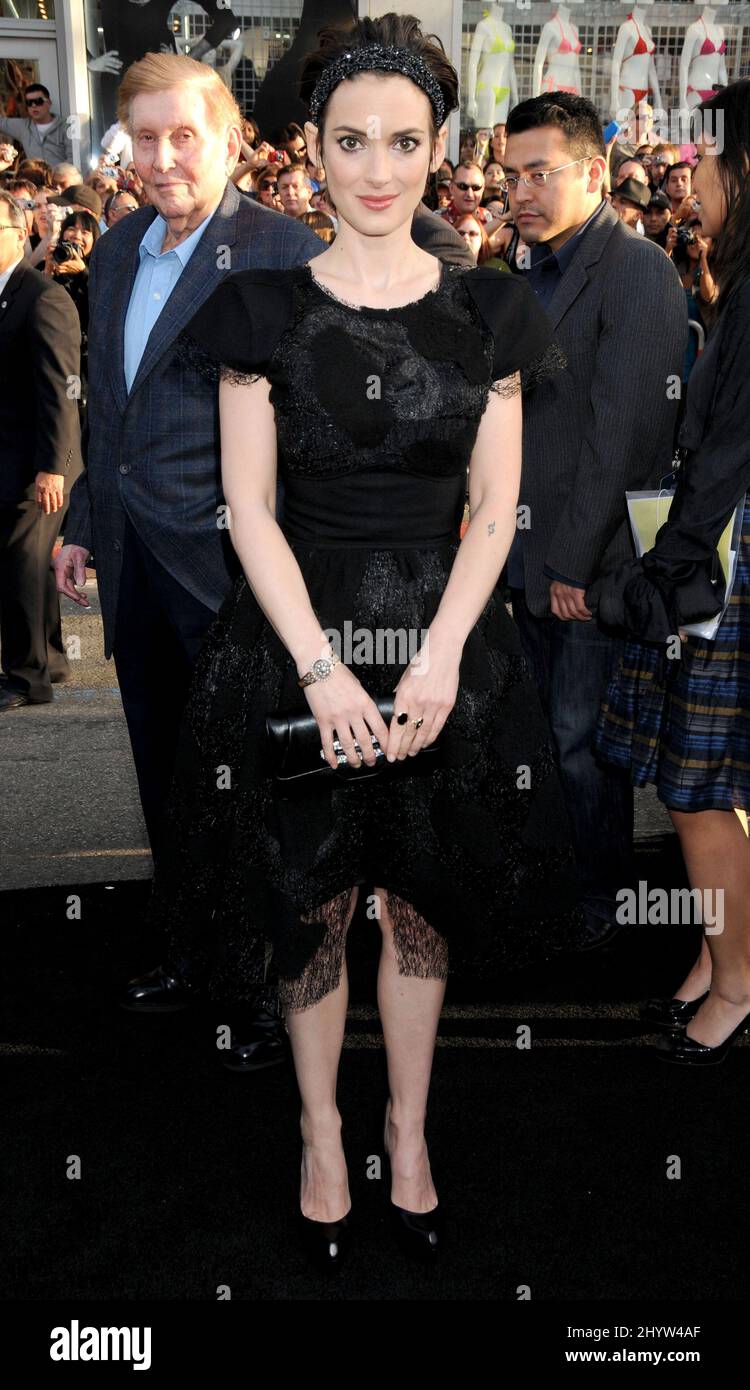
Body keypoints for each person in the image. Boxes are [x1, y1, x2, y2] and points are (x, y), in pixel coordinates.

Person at [146, 13, 583, 1270]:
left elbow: (497, 507)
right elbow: (247, 508)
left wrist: (444, 653)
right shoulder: (259, 308)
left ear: (438, 148)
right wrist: (324, 668)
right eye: (351, 142)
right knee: (315, 902)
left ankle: (409, 1123)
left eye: (403, 141)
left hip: (451, 640)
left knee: (420, 901)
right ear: (314, 152)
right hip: (295, 642)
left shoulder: (494, 312)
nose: (377, 167)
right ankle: (322, 1131)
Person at [53, 53, 325, 1072]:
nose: (163, 159)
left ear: (229, 144)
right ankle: (192, 951)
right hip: (133, 568)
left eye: (185, 138)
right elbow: (110, 404)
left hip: (234, 577)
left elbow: (313, 436)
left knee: (250, 793)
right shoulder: (118, 249)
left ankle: (264, 984)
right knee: (168, 784)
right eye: (146, 138)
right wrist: (84, 512)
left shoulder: (284, 252)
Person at [587, 81, 750, 1066]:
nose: (690, 171)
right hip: (719, 552)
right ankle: (718, 951)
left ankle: (736, 983)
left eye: (707, 155)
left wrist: (672, 564)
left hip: (725, 562)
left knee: (699, 789)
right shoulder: (733, 275)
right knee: (711, 785)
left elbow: (729, 451)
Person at [500, 92, 687, 947]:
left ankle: (605, 899)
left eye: (541, 172)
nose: (522, 191)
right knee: (541, 737)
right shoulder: (522, 269)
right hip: (522, 557)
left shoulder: (638, 269)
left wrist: (572, 565)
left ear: (596, 172)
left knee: (583, 742)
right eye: (512, 175)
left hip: (589, 568)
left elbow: (626, 438)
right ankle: (560, 879)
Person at [0, 192, 83, 712]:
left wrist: (53, 468)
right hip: (11, 458)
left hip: (39, 464)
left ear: (17, 229)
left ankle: (27, 677)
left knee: (21, 564)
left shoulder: (43, 296)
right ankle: (49, 658)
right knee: (24, 563)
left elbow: (63, 389)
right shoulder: (7, 293)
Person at [0, 83, 72, 168]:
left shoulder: (66, 127)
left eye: (38, 101)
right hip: (36, 179)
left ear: (49, 103)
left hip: (61, 179)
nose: (34, 105)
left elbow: (74, 158)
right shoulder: (23, 127)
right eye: (29, 103)